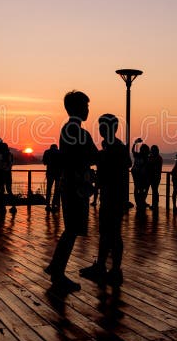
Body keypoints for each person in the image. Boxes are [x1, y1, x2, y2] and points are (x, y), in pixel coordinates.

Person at [44, 91, 98, 292]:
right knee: (72, 229)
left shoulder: (67, 129)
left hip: (69, 185)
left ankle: (56, 268)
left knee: (71, 230)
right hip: (76, 187)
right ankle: (57, 272)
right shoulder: (79, 132)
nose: (88, 110)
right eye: (85, 106)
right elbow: (92, 156)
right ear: (77, 108)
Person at [79, 114, 131, 286]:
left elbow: (116, 172)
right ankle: (102, 266)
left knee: (113, 233)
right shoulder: (114, 148)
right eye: (101, 126)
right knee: (106, 232)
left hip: (114, 196)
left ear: (112, 128)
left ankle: (115, 269)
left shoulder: (115, 149)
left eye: (103, 126)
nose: (101, 129)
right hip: (110, 196)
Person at [43, 144, 63, 211]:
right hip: (58, 174)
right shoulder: (60, 152)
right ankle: (54, 203)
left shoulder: (47, 152)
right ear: (56, 147)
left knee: (49, 189)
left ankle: (48, 205)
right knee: (57, 190)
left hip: (50, 173)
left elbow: (44, 162)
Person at [131, 140, 150, 211]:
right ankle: (141, 201)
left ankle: (139, 202)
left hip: (135, 172)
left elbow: (132, 150)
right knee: (142, 188)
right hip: (140, 174)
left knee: (137, 187)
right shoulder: (145, 157)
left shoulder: (137, 155)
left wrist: (135, 143)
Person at [147, 145, 163, 211]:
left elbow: (150, 165)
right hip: (155, 176)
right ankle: (155, 204)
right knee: (155, 190)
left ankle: (155, 205)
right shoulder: (159, 158)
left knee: (154, 191)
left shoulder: (155, 158)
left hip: (154, 176)